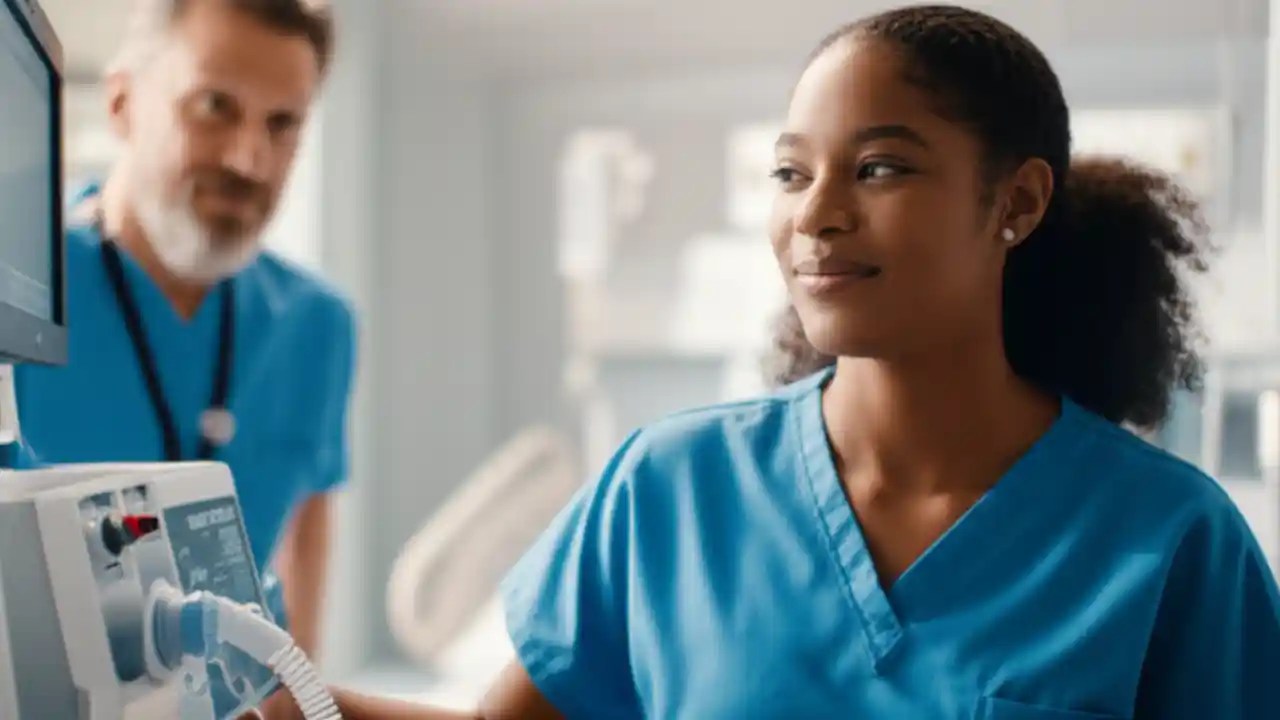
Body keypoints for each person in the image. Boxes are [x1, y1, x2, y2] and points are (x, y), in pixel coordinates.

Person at [334, 4, 1280, 719]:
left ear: (1017, 203)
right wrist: (286, 695)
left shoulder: (1169, 542)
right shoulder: (667, 491)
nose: (815, 215)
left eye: (879, 169)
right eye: (791, 172)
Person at [15, 0, 352, 715]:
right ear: (123, 104)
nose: (247, 160)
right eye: (214, 107)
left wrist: (301, 692)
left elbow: (310, 513)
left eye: (282, 124)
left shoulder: (316, 326)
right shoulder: (24, 288)